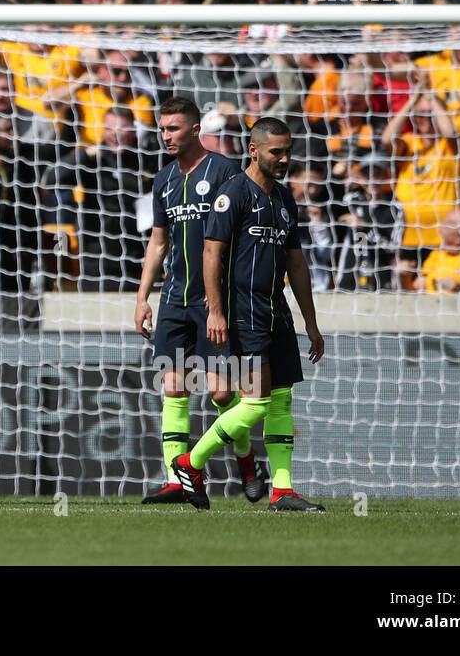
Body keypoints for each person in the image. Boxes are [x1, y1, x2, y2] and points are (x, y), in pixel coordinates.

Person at [172, 116, 326, 512]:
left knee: (281, 402)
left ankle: (282, 490)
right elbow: (211, 253)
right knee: (254, 403)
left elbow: (297, 263)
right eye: (276, 151)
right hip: (243, 314)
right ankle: (191, 461)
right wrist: (216, 312)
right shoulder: (233, 194)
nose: (284, 158)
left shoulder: (284, 199)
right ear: (253, 150)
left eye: (288, 150)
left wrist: (310, 321)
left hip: (277, 312)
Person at [134, 97, 262, 504]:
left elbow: (239, 237)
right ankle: (179, 479)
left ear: (194, 130)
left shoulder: (225, 172)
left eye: (173, 128)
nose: (165, 136)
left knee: (223, 394)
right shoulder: (164, 180)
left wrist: (228, 301)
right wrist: (142, 299)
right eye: (162, 128)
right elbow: (158, 243)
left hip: (214, 302)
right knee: (173, 387)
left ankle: (247, 461)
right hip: (174, 299)